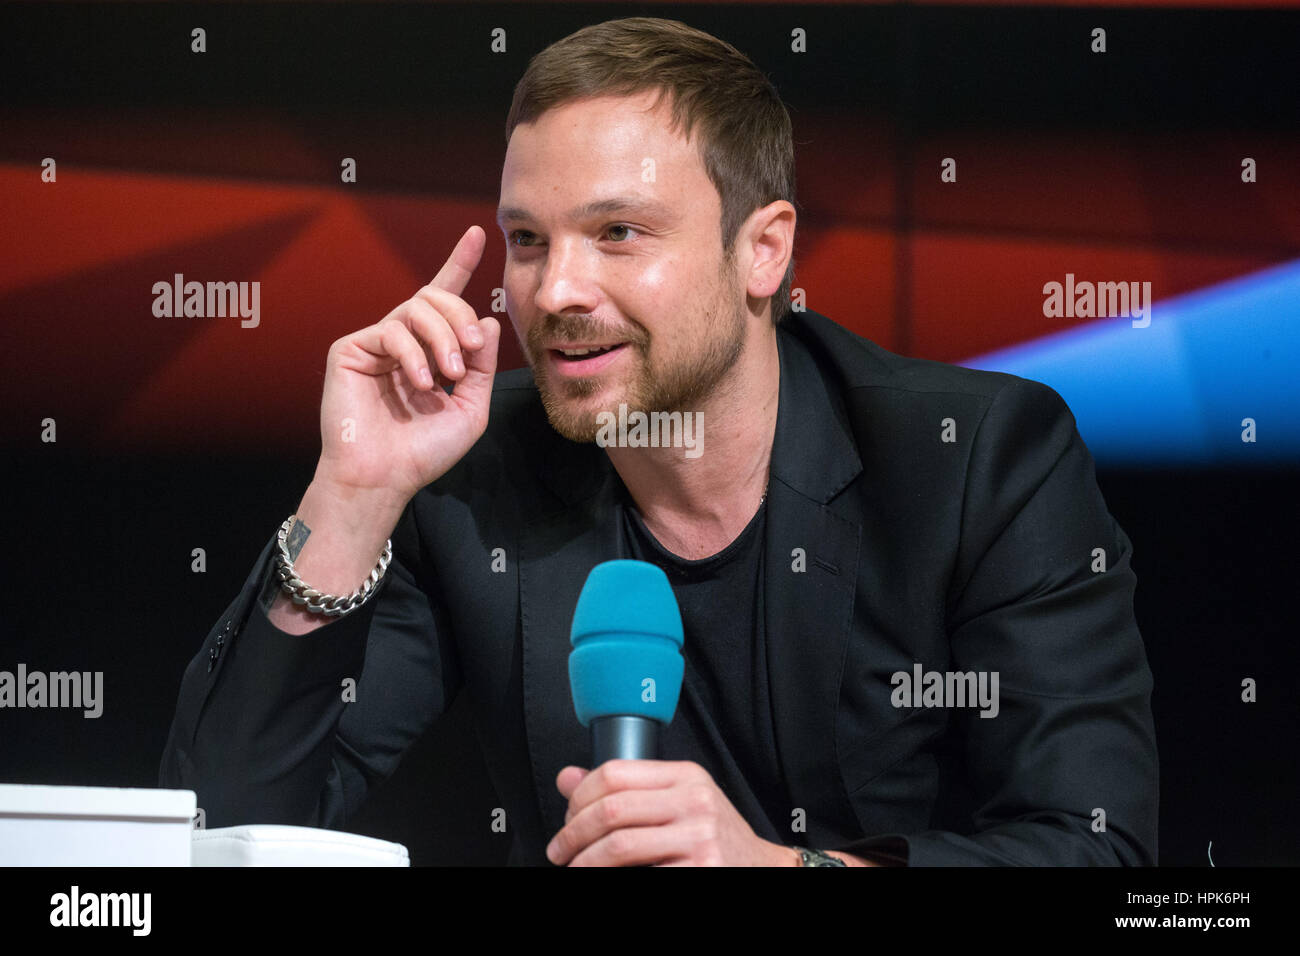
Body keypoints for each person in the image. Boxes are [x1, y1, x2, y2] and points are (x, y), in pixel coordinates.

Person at [160, 17, 1158, 866]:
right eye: (528, 239)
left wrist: (779, 867)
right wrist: (350, 498)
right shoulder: (468, 476)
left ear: (763, 250)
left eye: (619, 233)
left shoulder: (976, 461)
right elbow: (223, 828)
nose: (555, 291)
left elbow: (1095, 848)